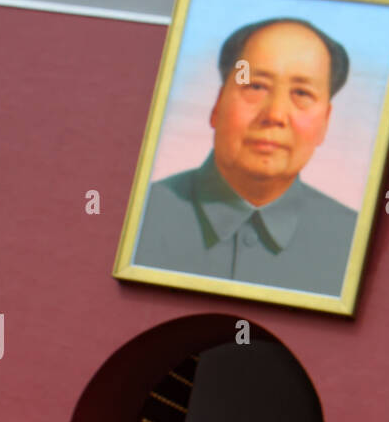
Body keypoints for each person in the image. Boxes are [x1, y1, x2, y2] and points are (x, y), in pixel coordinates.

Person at [134, 18, 357, 297]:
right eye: (255, 86)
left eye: (301, 93)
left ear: (325, 122)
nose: (274, 115)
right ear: (217, 104)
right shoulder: (138, 216)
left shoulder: (353, 244)